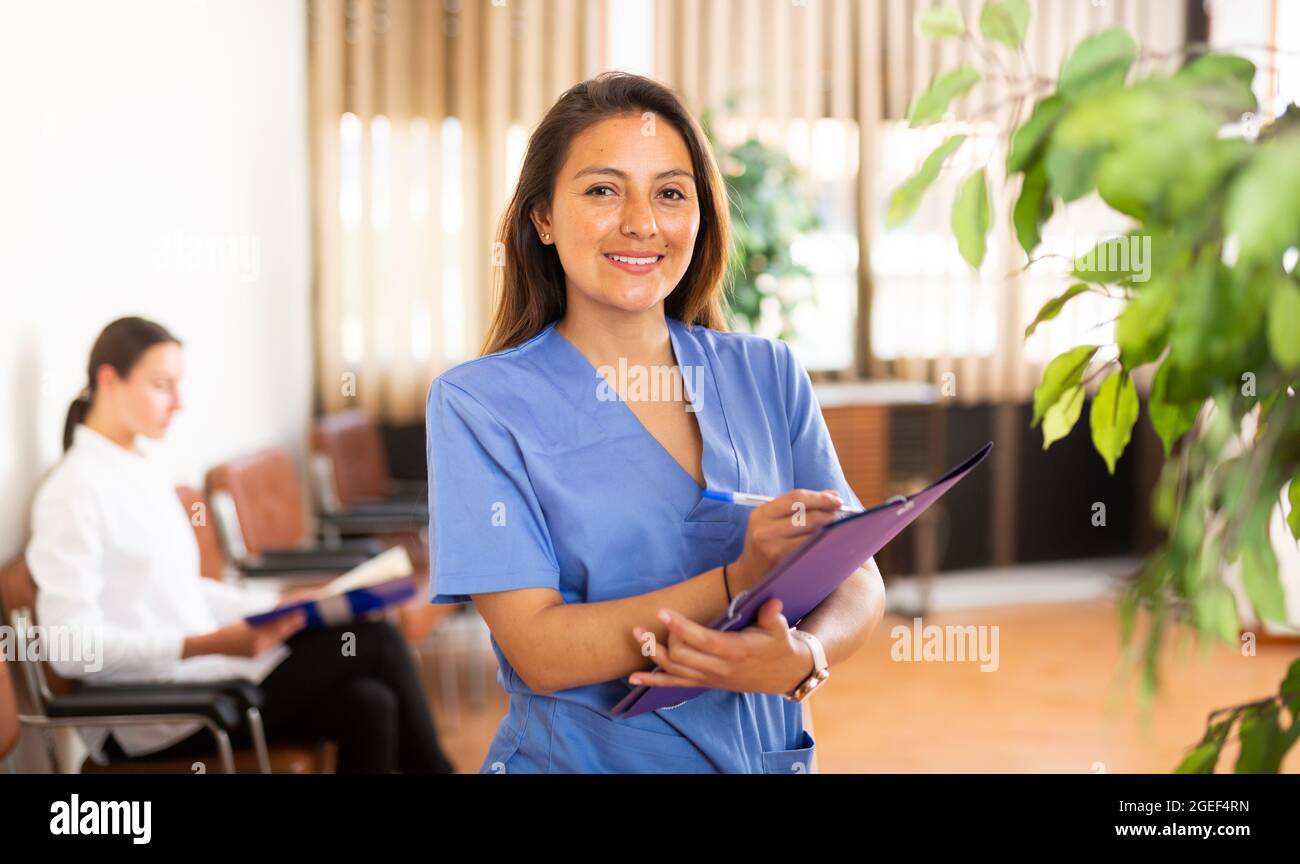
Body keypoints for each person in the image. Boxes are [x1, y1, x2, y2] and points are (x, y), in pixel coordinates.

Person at [426, 72, 887, 773]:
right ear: (542, 218)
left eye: (670, 192)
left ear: (700, 216)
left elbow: (857, 571)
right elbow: (540, 651)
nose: (642, 222)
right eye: (604, 190)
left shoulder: (768, 374)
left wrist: (806, 655)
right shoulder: (479, 406)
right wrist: (735, 583)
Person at [27, 316, 454, 773]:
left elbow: (182, 590)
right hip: (156, 713)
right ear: (109, 381)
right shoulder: (72, 492)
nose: (178, 403)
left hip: (201, 676)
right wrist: (205, 644)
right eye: (161, 386)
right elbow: (70, 648)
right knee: (380, 641)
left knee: (370, 705)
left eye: (178, 385)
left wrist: (278, 603)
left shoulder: (139, 469)